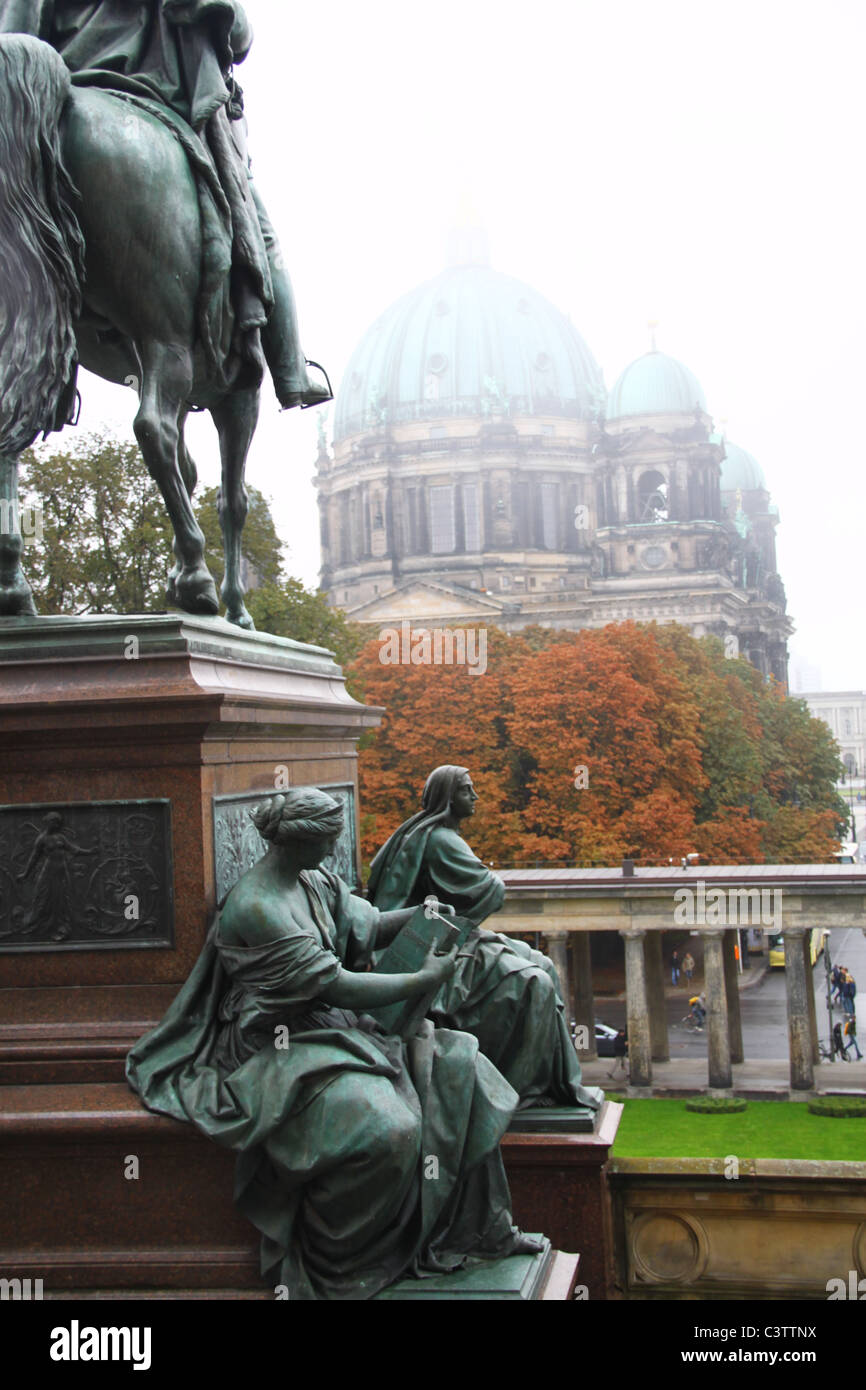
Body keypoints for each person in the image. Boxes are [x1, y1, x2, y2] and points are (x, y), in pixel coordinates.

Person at [127, 789, 541, 1300]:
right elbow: (337, 984)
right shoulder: (258, 906)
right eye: (326, 841)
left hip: (331, 1023)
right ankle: (343, 1267)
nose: (333, 850)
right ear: (295, 841)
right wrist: (422, 979)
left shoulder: (311, 878)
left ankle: (481, 1229)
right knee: (390, 1128)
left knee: (464, 1065)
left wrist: (427, 915)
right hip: (278, 1044)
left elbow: (365, 924)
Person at [0, 0, 330, 409]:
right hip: (159, 104)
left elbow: (14, 36)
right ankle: (291, 369)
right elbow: (238, 37)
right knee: (261, 235)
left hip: (51, 108)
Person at [367, 765, 600, 1112]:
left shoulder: (426, 833)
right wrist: (494, 883)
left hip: (445, 938)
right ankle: (519, 1089)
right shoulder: (442, 840)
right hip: (434, 949)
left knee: (545, 965)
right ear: (448, 796)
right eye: (466, 790)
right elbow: (488, 891)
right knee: (536, 982)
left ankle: (547, 1082)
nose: (475, 797)